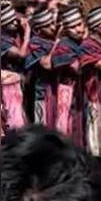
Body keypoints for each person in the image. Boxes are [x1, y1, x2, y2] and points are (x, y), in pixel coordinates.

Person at [49, 8, 88, 145]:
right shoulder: (64, 45)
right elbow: (77, 68)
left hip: (84, 92)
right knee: (71, 127)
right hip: (70, 94)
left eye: (80, 24)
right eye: (73, 26)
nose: (79, 29)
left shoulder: (82, 41)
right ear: (66, 29)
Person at [24, 9, 60, 128]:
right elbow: (47, 64)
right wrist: (57, 43)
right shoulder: (35, 42)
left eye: (52, 23)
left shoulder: (53, 39)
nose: (53, 27)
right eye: (47, 26)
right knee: (44, 128)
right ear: (38, 30)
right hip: (43, 93)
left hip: (58, 91)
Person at [2, 4, 31, 131]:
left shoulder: (10, 37)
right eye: (11, 21)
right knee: (13, 118)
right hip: (7, 85)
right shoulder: (2, 41)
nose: (15, 23)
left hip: (16, 83)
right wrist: (27, 34)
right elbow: (22, 53)